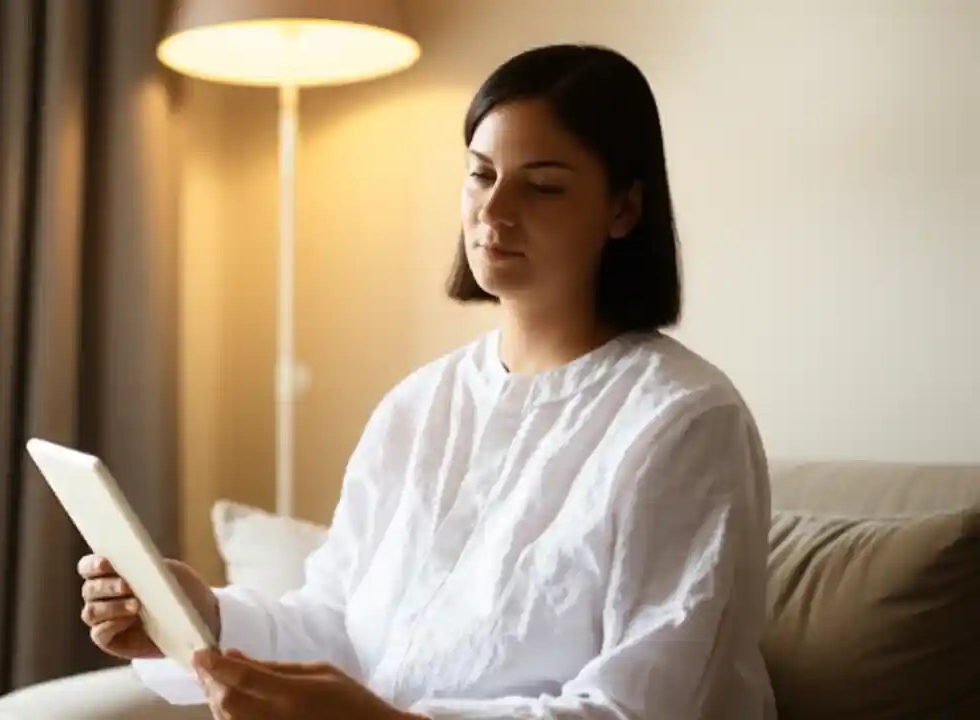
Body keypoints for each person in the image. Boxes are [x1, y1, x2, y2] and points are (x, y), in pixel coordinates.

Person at [78, 44, 777, 720]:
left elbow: (642, 708)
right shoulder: (423, 403)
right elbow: (337, 623)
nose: (495, 211)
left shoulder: (683, 424)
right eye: (480, 174)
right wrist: (201, 617)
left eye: (542, 185)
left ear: (623, 209)